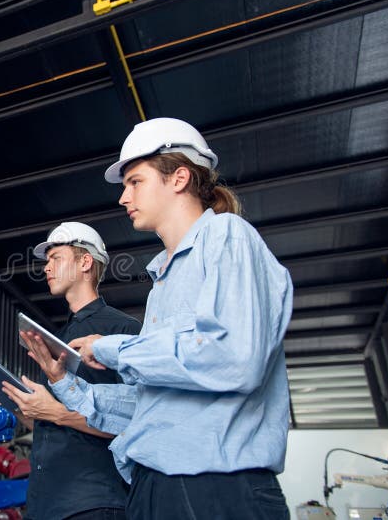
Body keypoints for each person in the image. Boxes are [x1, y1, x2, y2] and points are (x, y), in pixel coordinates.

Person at [23, 118, 293, 520]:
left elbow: (234, 357)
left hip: (214, 487)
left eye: (135, 182)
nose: (123, 198)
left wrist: (112, 349)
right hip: (155, 486)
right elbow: (152, 403)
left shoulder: (226, 237)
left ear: (179, 177)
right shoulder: (162, 282)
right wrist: (69, 386)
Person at [0, 221, 141, 520]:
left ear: (85, 262)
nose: (46, 267)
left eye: (55, 258)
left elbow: (135, 421)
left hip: (94, 501)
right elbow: (48, 424)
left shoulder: (122, 331)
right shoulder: (57, 339)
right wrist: (11, 401)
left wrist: (54, 413)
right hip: (47, 503)